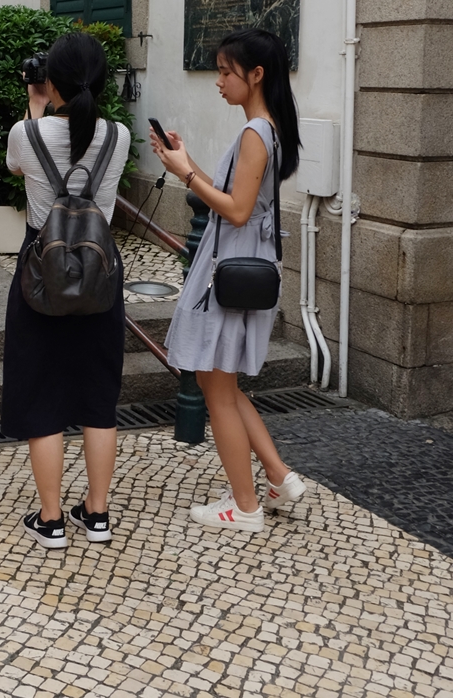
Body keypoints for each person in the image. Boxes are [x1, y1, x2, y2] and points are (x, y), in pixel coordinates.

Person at [149, 27, 306, 533]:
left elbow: (236, 211)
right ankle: (279, 478)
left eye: (224, 71)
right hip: (240, 264)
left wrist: (186, 177)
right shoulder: (268, 128)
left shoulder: (254, 132)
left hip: (228, 268)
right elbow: (235, 194)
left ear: (256, 75)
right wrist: (186, 162)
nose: (218, 81)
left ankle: (245, 506)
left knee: (216, 389)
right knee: (226, 384)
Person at [2, 32, 131, 549]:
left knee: (42, 391)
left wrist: (35, 111)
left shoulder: (24, 134)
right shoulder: (119, 136)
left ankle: (51, 519)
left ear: (48, 79)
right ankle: (97, 515)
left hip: (42, 271)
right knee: (99, 395)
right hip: (100, 274)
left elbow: (17, 167)